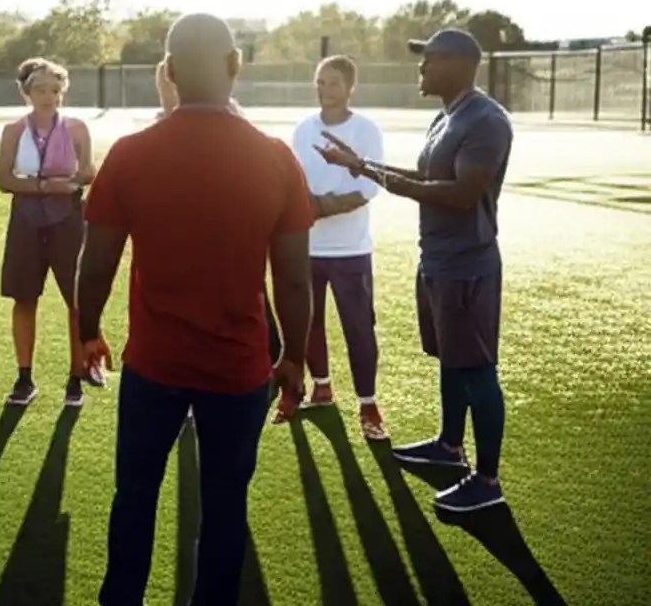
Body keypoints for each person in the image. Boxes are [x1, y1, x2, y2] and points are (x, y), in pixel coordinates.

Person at [77, 13, 312, 606]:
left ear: (170, 73)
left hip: (154, 365)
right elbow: (293, 278)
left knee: (134, 496)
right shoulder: (274, 158)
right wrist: (294, 358)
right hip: (239, 369)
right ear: (236, 66)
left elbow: (97, 262)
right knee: (226, 506)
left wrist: (86, 333)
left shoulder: (131, 154)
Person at [316, 28, 513, 513]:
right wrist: (360, 165)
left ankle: (487, 482)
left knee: (477, 368)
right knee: (450, 357)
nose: (421, 68)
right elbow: (428, 176)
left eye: (430, 59)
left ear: (459, 65)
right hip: (440, 261)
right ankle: (449, 447)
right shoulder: (446, 117)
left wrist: (379, 178)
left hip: (468, 266)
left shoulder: (486, 120)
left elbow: (461, 193)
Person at [282, 55, 388, 440]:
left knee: (359, 329)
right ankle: (321, 387)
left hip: (351, 252)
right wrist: (303, 207)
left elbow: (367, 188)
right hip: (307, 249)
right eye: (320, 83)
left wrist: (318, 207)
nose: (325, 90)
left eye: (332, 83)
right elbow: (295, 184)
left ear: (349, 87)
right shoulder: (302, 129)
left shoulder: (366, 130)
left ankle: (369, 404)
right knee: (308, 323)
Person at [157, 58, 283, 365]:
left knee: (261, 339)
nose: (166, 89)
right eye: (162, 84)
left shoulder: (231, 116)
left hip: (231, 251)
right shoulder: (160, 129)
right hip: (184, 253)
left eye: (168, 82)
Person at [0, 57, 100, 407]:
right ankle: (24, 379)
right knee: (24, 298)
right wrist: (44, 186)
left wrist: (71, 182)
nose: (48, 96)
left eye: (55, 90)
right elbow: (4, 179)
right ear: (27, 92)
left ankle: (76, 378)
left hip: (68, 219)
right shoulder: (14, 131)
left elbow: (88, 172)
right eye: (40, 89)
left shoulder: (76, 128)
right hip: (26, 220)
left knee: (75, 300)